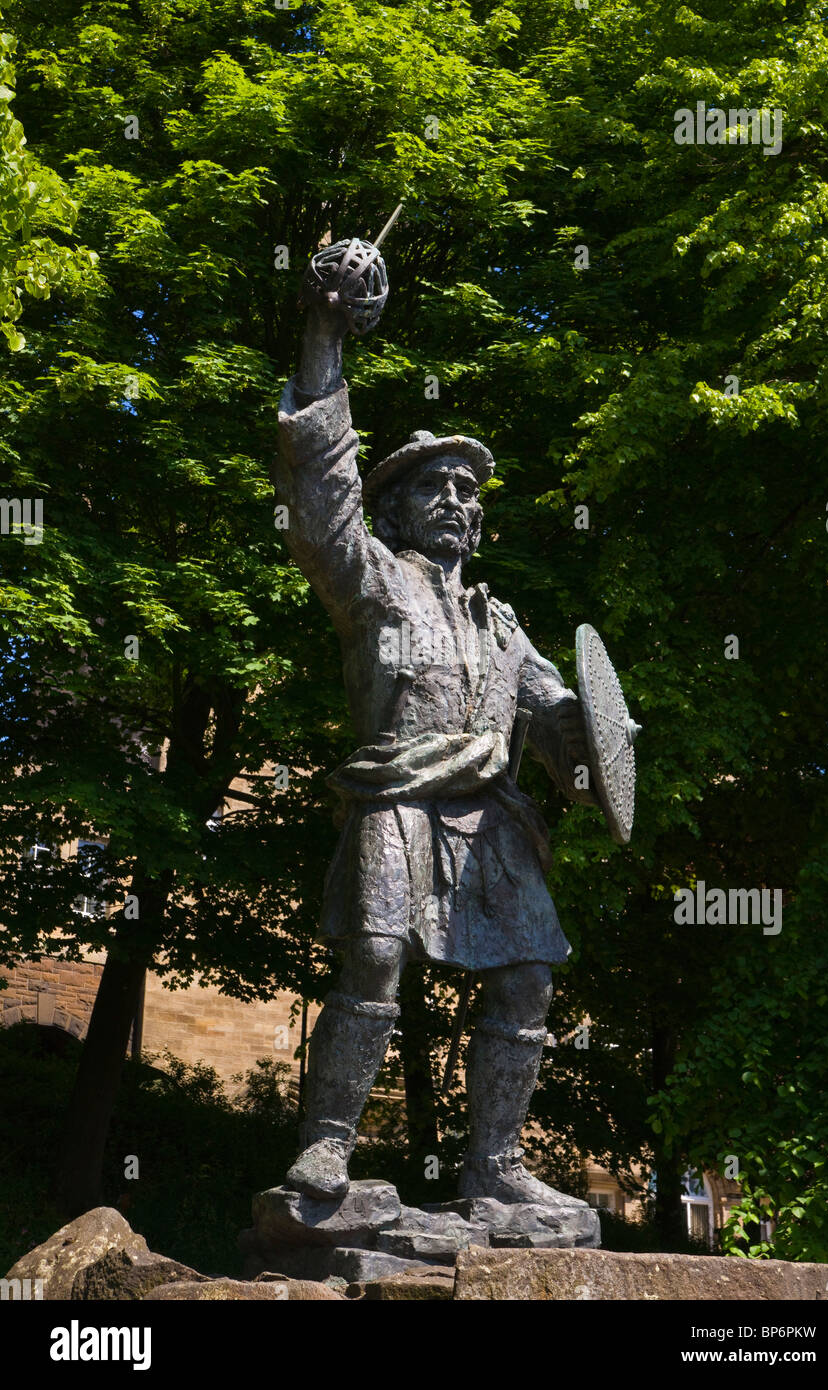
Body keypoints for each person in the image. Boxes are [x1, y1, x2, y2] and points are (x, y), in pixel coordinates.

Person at [271, 242, 597, 1206]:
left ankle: (494, 1171)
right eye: (432, 487)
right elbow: (322, 493)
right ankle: (327, 1147)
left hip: (490, 817)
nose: (455, 502)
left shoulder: (503, 625)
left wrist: (593, 751)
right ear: (398, 509)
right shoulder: (372, 582)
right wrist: (326, 331)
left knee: (531, 975)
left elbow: (564, 725)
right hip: (398, 798)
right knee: (375, 956)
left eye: (469, 493)